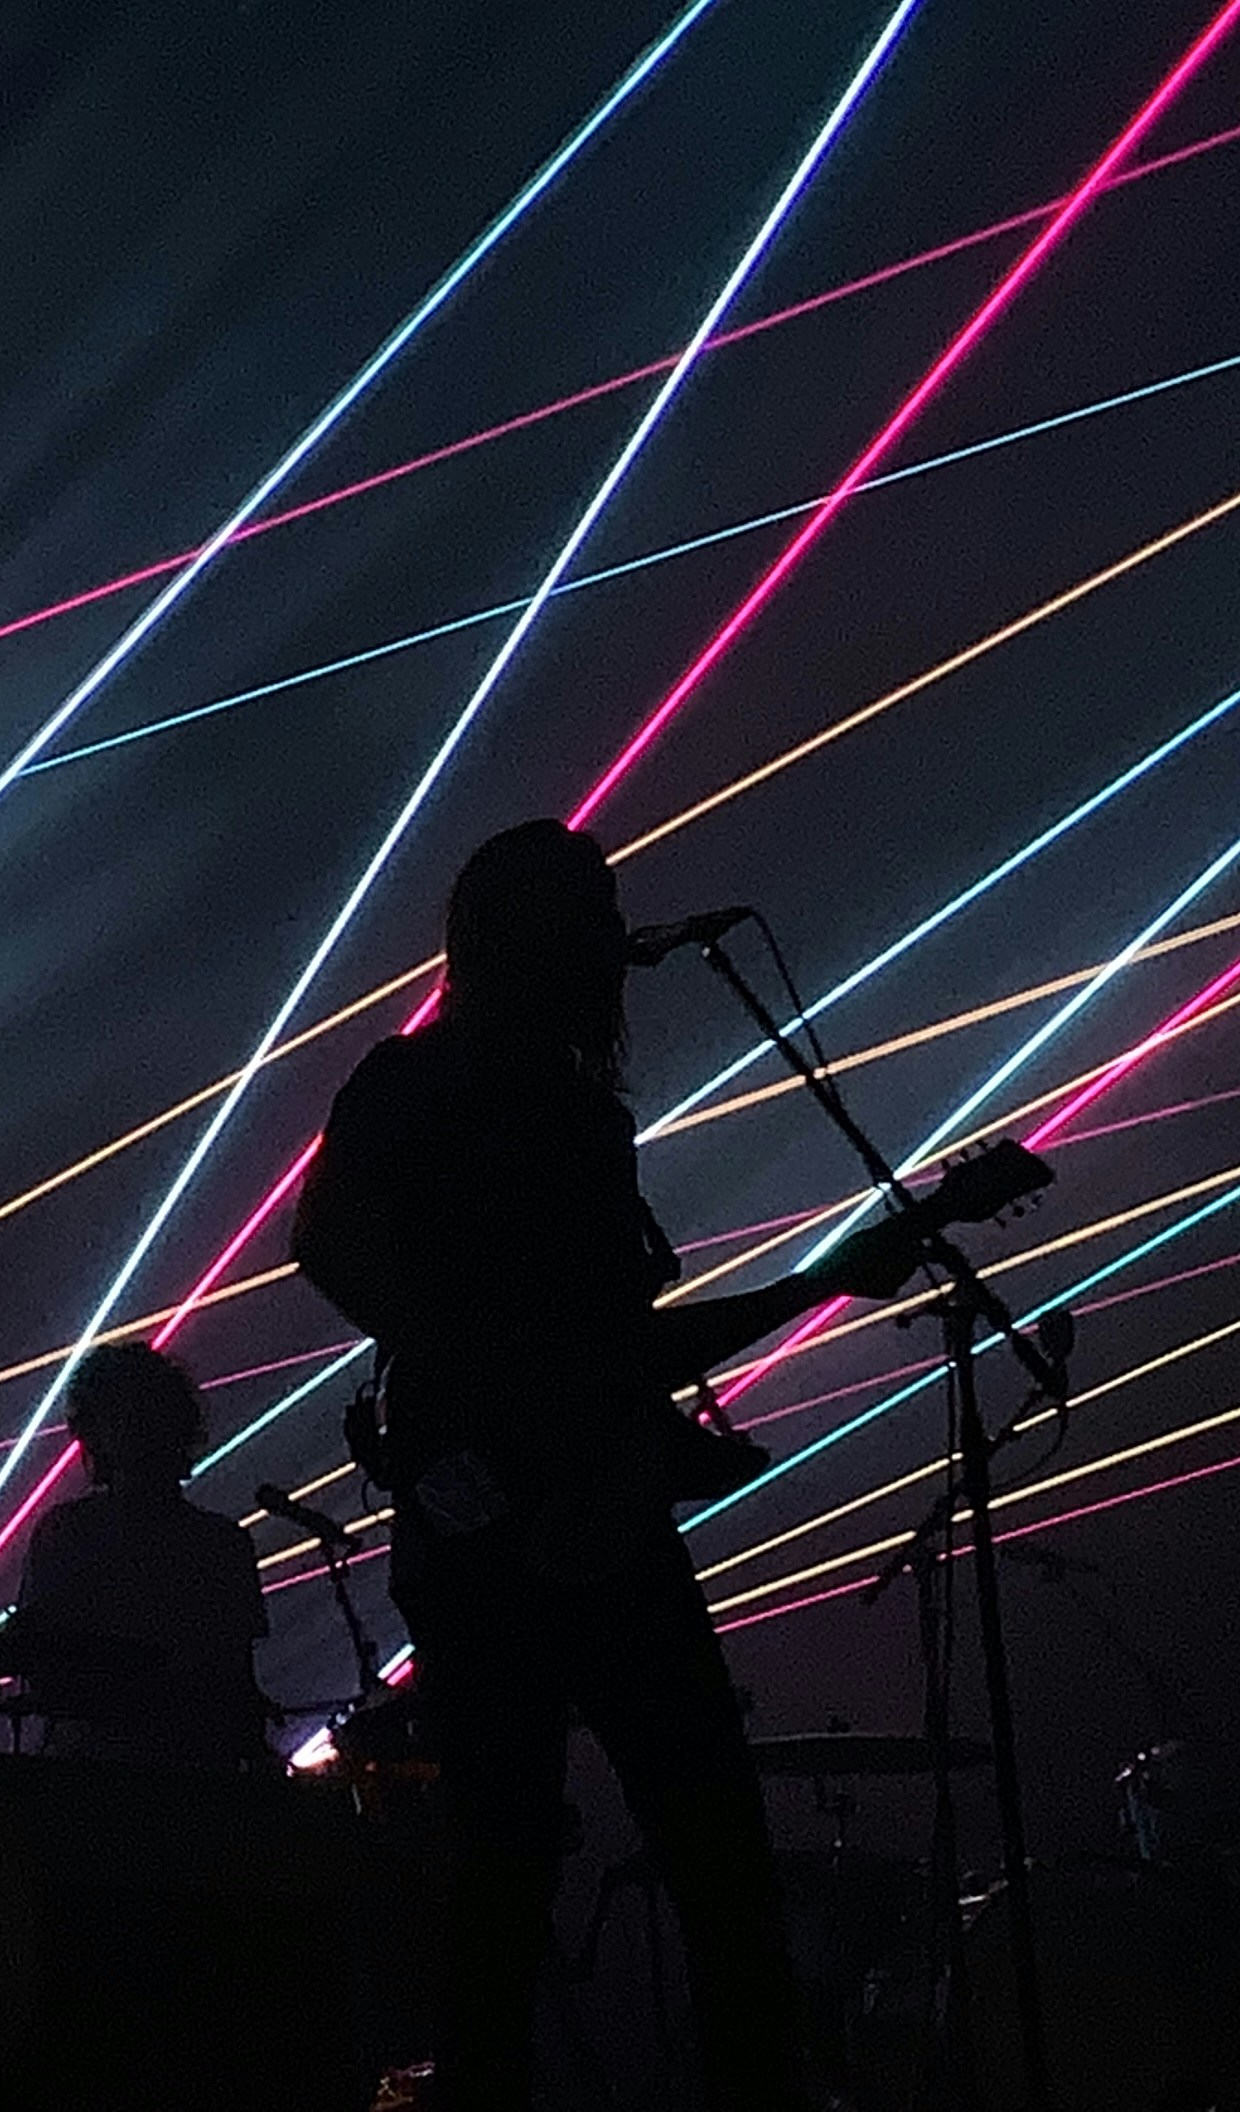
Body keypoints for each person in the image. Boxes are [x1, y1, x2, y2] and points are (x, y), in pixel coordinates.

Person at [292, 821, 912, 2112]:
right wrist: (476, 1381)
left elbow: (615, 1344)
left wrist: (819, 1288)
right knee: (544, 1858)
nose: (614, 942)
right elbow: (333, 1247)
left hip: (585, 1506)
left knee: (660, 1854)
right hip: (499, 1513)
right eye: (591, 914)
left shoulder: (581, 1118)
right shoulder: (413, 1086)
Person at [9, 1343, 270, 1767]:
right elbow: (237, 1686)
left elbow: (41, 1665)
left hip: (92, 1777)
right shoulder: (223, 1543)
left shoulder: (67, 1531)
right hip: (200, 1781)